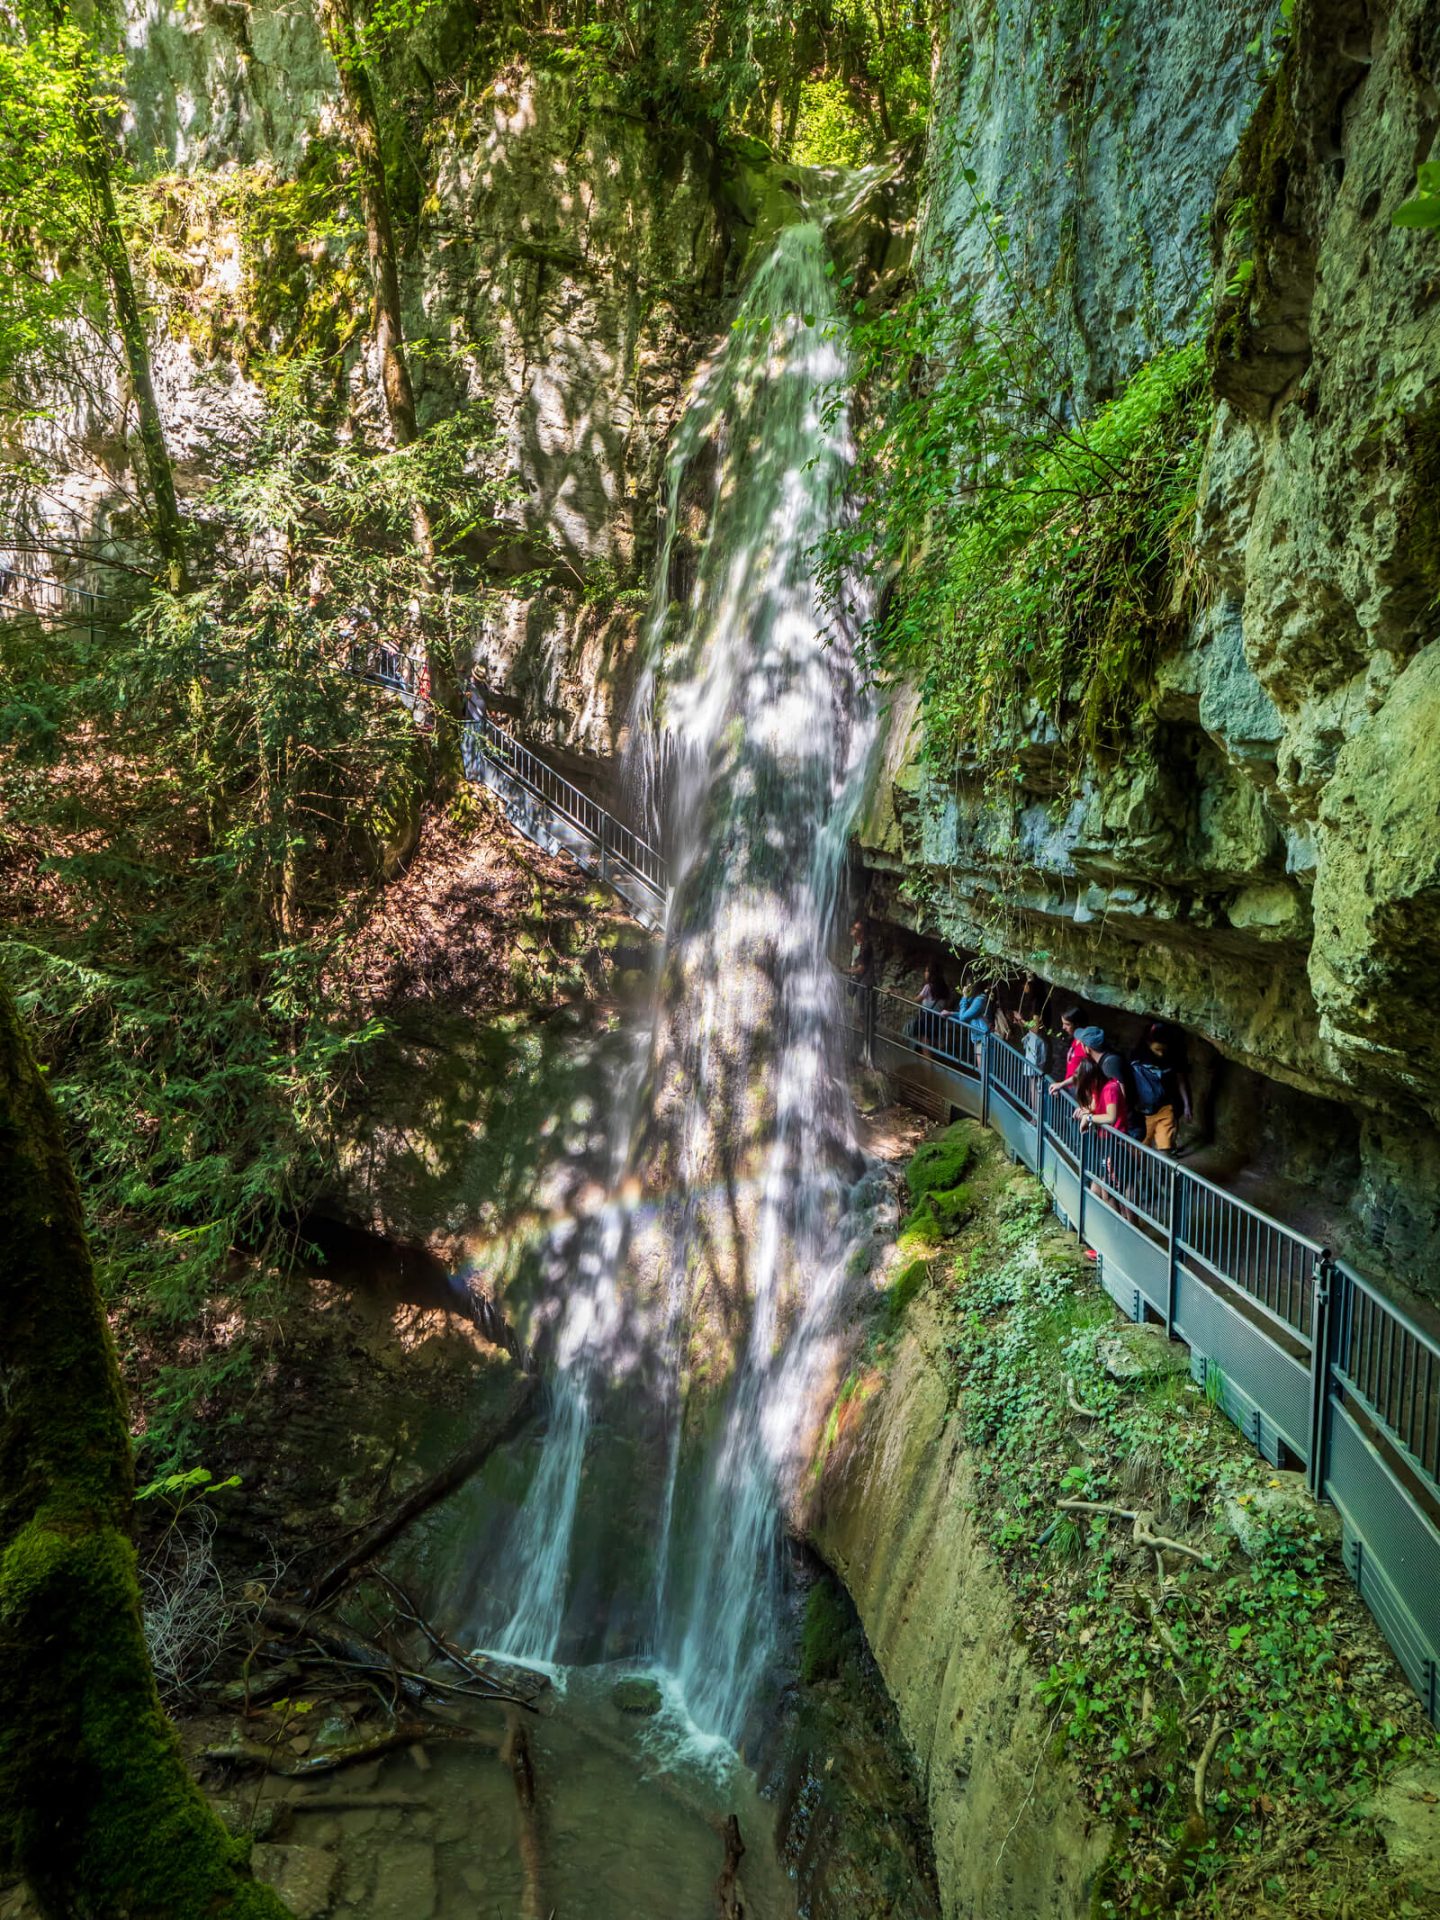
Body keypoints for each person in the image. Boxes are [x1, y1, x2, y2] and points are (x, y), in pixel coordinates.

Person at [1131, 1021, 1193, 1154]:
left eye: (1163, 1050)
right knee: (1139, 1150)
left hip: (1165, 1108)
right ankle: (1141, 1174)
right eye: (1157, 1050)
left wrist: (1187, 1104)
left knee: (1165, 1149)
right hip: (1143, 1113)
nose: (1161, 1054)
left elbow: (1181, 1080)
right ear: (1148, 1044)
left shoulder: (1173, 1056)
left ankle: (1163, 1173)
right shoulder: (1137, 1057)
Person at [1048, 1010, 1089, 1101]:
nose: (1063, 1027)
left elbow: (1082, 1073)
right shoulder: (1075, 1040)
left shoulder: (1085, 1046)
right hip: (1070, 1087)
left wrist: (1061, 1084)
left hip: (1080, 1090)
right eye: (1063, 1024)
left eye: (1067, 1024)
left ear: (1077, 1024)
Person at [1022, 1014, 1048, 1111]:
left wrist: (1021, 1020)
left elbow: (1041, 1058)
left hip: (1034, 1067)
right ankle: (1035, 1113)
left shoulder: (1038, 1039)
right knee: (1033, 1089)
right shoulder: (1032, 1037)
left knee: (1035, 1090)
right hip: (1033, 1066)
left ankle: (1036, 1113)